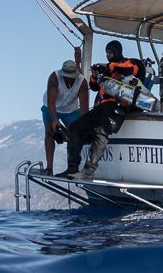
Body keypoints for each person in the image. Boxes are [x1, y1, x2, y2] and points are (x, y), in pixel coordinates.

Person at [59, 40, 143, 179]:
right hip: (103, 105)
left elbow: (127, 69)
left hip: (117, 104)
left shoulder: (130, 63)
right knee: (76, 127)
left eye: (110, 52)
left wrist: (107, 67)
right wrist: (95, 74)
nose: (108, 55)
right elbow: (94, 86)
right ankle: (72, 168)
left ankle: (88, 171)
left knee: (101, 131)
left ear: (117, 51)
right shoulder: (109, 69)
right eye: (106, 53)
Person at [41, 49, 89, 172]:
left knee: (74, 134)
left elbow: (84, 108)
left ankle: (71, 167)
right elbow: (51, 102)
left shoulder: (82, 82)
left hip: (70, 110)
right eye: (66, 77)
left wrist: (84, 126)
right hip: (51, 107)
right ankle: (49, 167)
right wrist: (54, 120)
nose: (68, 79)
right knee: (49, 133)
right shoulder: (54, 77)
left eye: (71, 77)